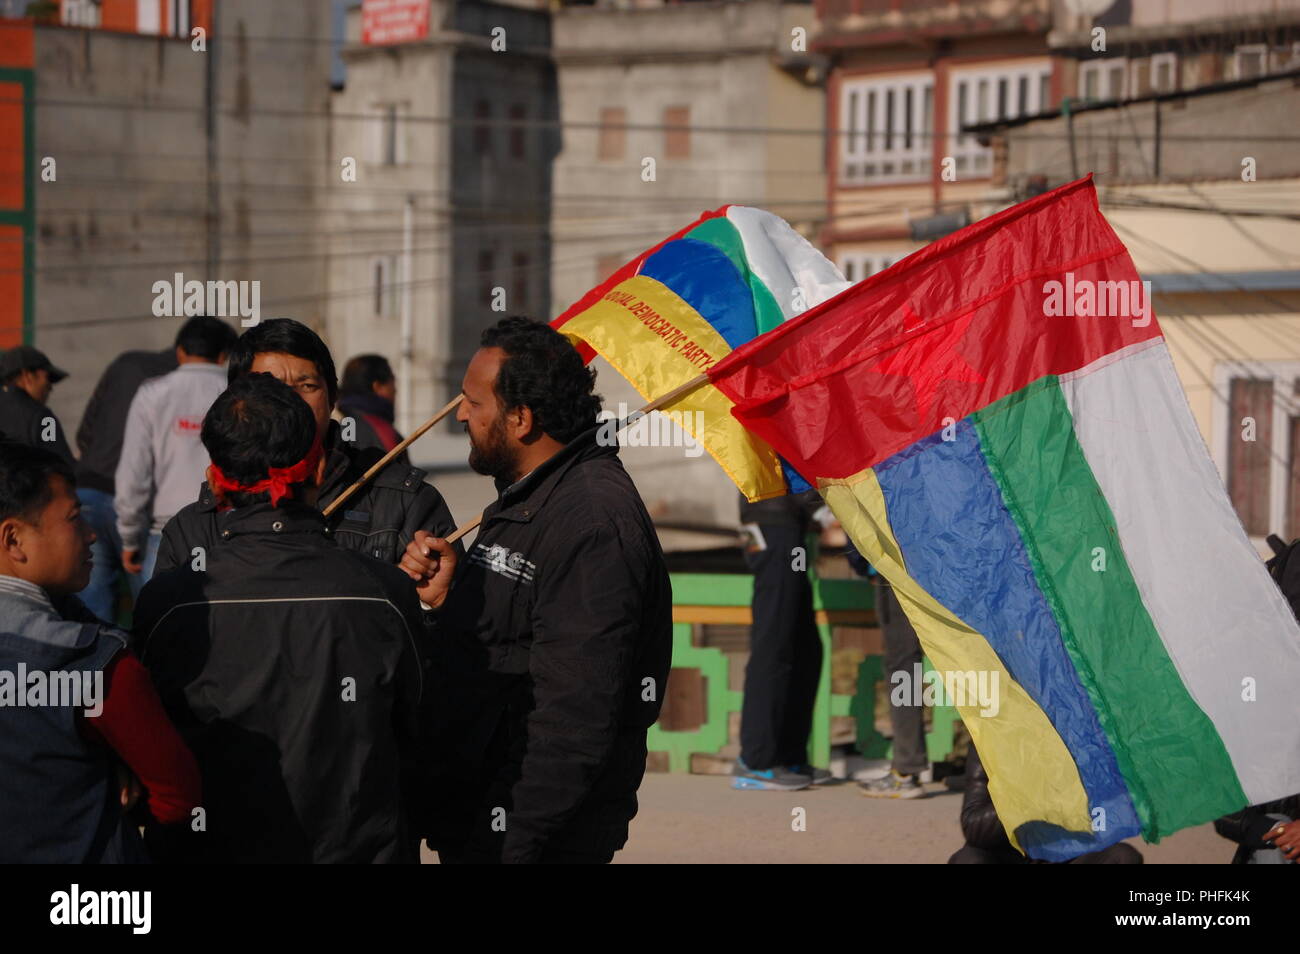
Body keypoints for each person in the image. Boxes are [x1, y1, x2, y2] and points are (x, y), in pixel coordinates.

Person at [401, 316, 672, 864]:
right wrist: (455, 601)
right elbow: (517, 640)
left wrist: (508, 840)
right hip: (482, 808)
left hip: (536, 834)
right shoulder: (528, 494)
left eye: (474, 404)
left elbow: (573, 715)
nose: (460, 415)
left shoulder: (593, 521)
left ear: (521, 419)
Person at [132, 374, 435, 863]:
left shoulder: (169, 601)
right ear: (317, 471)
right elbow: (419, 732)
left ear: (214, 480)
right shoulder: (384, 592)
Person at [0, 440, 201, 863]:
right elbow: (178, 797)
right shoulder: (100, 670)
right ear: (14, 539)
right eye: (74, 519)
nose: (92, 534)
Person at [154, 319, 456, 573]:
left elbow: (457, 628)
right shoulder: (194, 527)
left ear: (332, 396)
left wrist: (429, 603)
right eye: (271, 388)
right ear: (237, 400)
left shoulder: (403, 502)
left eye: (307, 386)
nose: (290, 402)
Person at [114, 317, 237, 589]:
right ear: (223, 354)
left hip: (166, 533)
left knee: (159, 625)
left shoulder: (152, 393)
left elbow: (133, 472)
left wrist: (130, 537)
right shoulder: (237, 393)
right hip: (229, 527)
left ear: (180, 351)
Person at [732, 491, 831, 791]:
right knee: (773, 642)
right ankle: (756, 761)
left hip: (789, 523)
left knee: (805, 649)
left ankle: (788, 757)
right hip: (772, 524)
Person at [73, 343, 177, 621]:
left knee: (92, 610)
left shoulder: (126, 362)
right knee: (152, 609)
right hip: (132, 503)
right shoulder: (180, 385)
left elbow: (85, 432)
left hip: (87, 492)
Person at [947, 744, 1142, 864]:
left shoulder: (1076, 735)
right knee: (968, 861)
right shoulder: (987, 739)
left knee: (1122, 857)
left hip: (1064, 853)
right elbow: (975, 829)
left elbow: (1105, 820)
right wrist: (1031, 798)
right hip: (1004, 855)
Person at [846, 544, 929, 798]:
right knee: (970, 659)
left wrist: (862, 561)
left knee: (903, 664)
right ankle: (981, 773)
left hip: (897, 563)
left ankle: (906, 768)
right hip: (945, 561)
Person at [0, 346, 73, 465]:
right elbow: (63, 468)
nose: (50, 387)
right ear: (27, 376)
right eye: (47, 378)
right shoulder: (43, 418)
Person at [338, 353, 409, 465]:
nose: (395, 391)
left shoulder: (334, 419)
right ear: (377, 387)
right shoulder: (380, 429)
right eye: (392, 383)